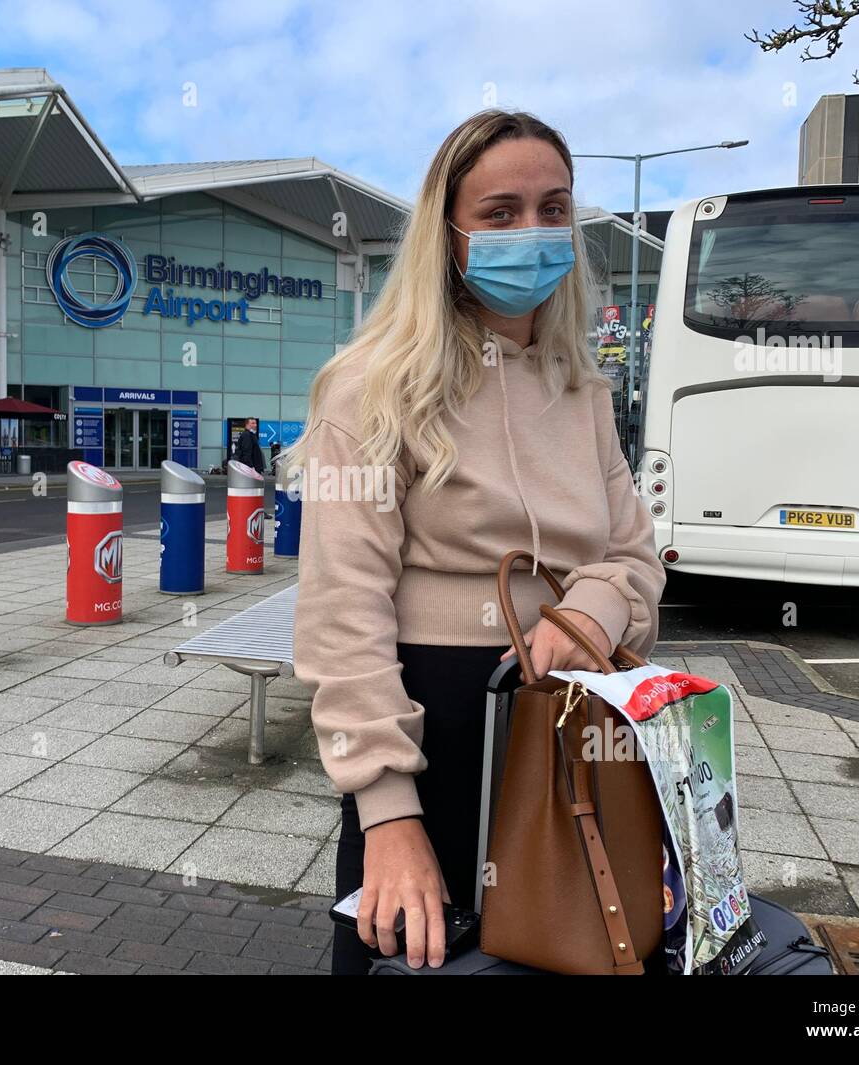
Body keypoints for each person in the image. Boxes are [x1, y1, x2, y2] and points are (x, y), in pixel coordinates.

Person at [285, 110, 665, 975]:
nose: (531, 231)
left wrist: (592, 613)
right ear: (447, 234)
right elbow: (344, 609)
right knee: (410, 958)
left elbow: (638, 558)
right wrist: (388, 815)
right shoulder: (372, 389)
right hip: (435, 725)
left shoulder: (584, 390)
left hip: (573, 714)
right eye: (499, 213)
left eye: (553, 207)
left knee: (572, 947)